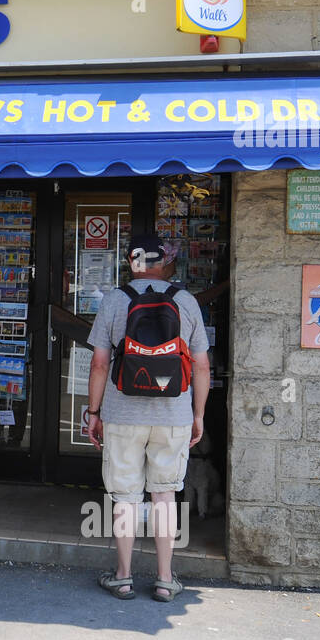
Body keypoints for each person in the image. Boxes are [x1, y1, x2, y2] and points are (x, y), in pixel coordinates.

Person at [86, 233, 209, 603]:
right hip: (173, 415)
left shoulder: (115, 300)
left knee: (125, 497)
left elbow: (99, 363)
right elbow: (201, 365)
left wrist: (94, 413)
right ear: (165, 262)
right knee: (164, 495)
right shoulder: (185, 301)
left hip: (122, 413)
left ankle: (123, 578)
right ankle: (164, 579)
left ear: (131, 262)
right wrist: (197, 414)